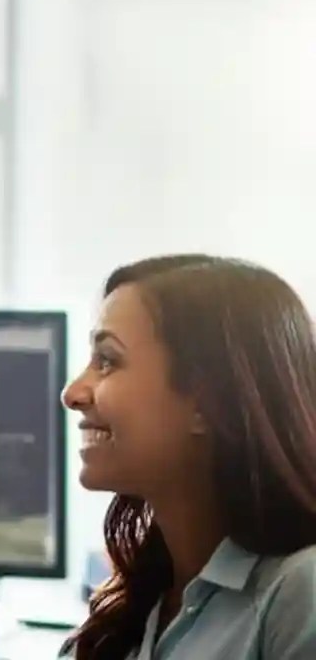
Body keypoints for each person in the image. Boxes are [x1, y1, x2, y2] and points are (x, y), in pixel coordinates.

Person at [59, 254, 316, 660]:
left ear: (207, 400)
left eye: (107, 361)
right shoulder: (134, 606)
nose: (72, 393)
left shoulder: (300, 592)